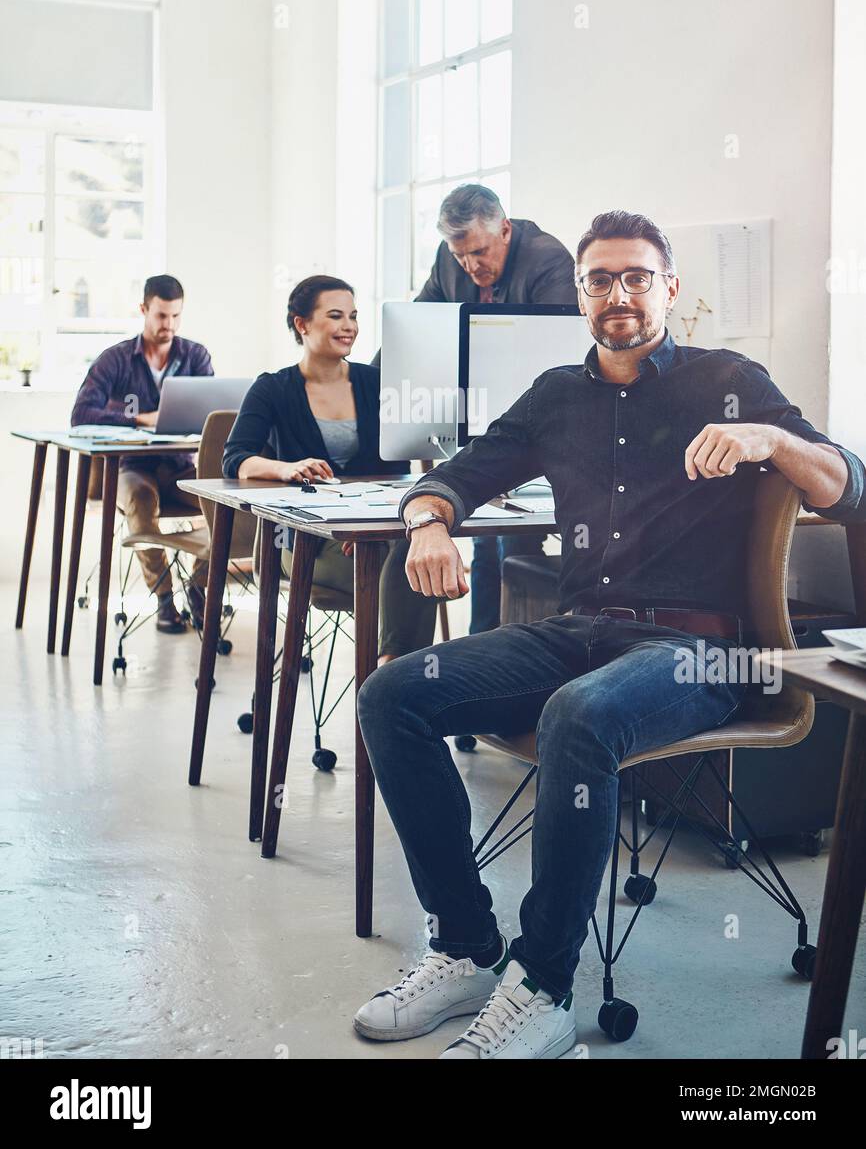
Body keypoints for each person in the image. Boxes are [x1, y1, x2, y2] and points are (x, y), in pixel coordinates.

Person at [352, 209, 866, 1059]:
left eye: (636, 277)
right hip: (578, 628)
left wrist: (770, 438)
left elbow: (848, 488)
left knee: (579, 715)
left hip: (702, 652)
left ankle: (543, 989)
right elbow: (459, 474)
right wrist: (427, 522)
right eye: (600, 279)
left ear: (669, 288)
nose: (617, 294)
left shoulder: (728, 378)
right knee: (393, 693)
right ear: (580, 294)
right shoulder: (557, 395)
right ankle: (468, 946)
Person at [222, 275, 437, 664]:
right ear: (301, 324)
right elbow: (236, 458)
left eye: (353, 316)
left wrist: (364, 527)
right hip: (307, 540)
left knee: (422, 547)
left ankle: (389, 670)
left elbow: (397, 465)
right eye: (336, 316)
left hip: (373, 531)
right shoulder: (272, 388)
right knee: (407, 563)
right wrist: (286, 468)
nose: (349, 326)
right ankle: (395, 679)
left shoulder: (375, 383)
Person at [407, 182, 579, 635]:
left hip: (541, 419)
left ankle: (516, 643)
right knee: (483, 532)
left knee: (505, 539)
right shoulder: (451, 259)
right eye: (461, 255)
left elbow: (559, 359)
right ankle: (482, 644)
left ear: (504, 229)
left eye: (479, 252)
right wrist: (366, 384)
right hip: (481, 417)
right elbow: (416, 327)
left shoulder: (548, 260)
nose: (470, 265)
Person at [70, 274, 213, 634]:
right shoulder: (116, 359)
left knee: (224, 504)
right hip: (131, 468)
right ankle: (164, 599)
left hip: (181, 466)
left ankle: (198, 589)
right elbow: (81, 414)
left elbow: (211, 414)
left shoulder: (195, 356)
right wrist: (137, 421)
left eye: (176, 316)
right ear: (144, 310)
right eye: (162, 316)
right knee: (140, 498)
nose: (169, 325)